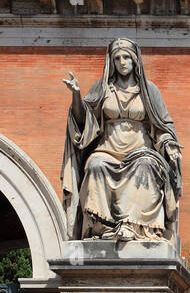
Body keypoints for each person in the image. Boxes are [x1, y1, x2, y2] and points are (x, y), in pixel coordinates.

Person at [61, 38, 182, 242]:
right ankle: (103, 227)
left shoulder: (149, 90)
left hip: (141, 149)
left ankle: (132, 225)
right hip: (107, 148)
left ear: (135, 60)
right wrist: (76, 95)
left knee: (146, 165)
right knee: (95, 165)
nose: (122, 62)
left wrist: (169, 144)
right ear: (112, 62)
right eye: (117, 58)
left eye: (126, 57)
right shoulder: (102, 89)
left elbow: (164, 125)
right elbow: (83, 121)